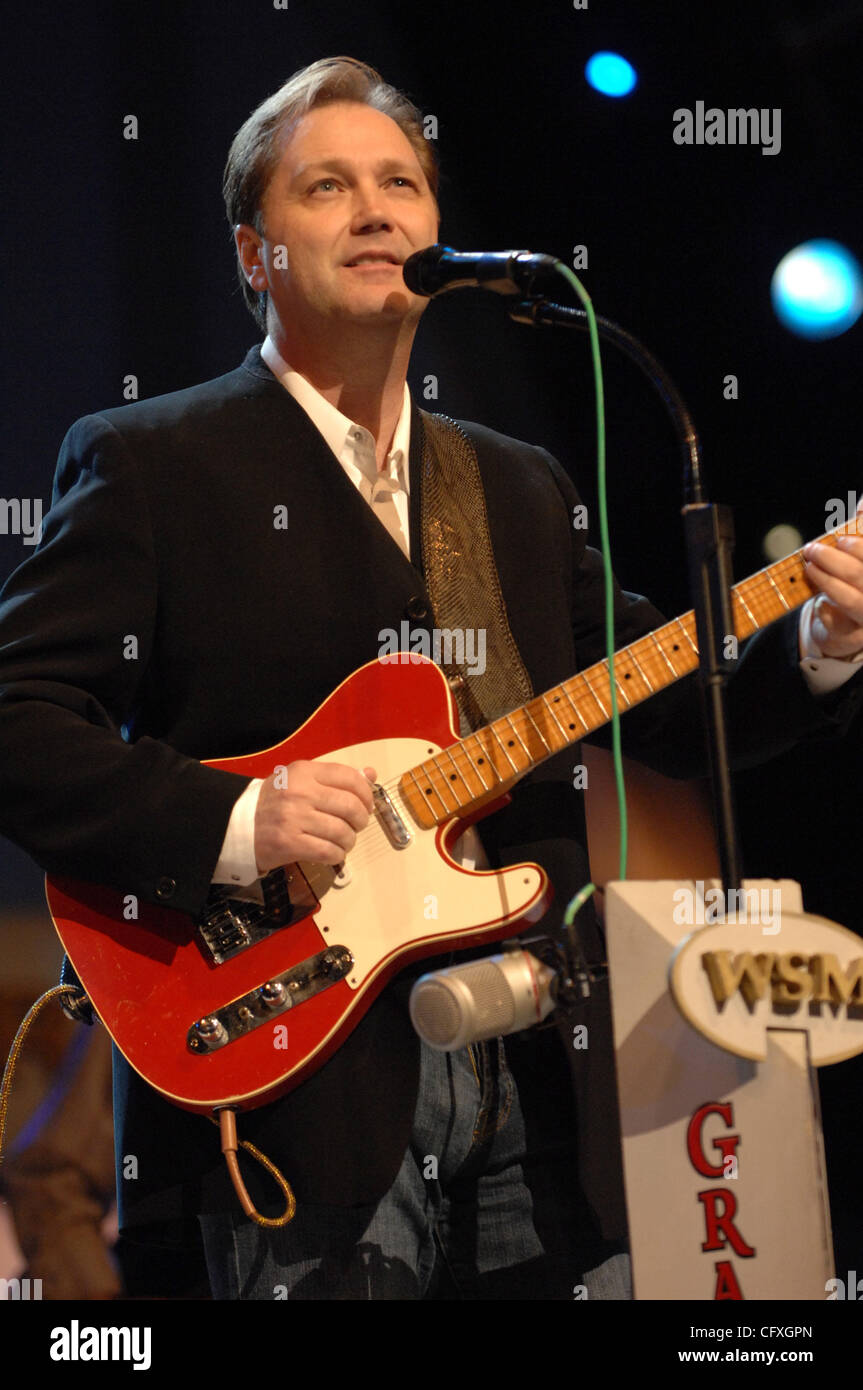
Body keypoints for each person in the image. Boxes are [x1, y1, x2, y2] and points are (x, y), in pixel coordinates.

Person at [1, 56, 863, 1301]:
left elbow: (666, 699)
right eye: (328, 187)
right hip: (295, 1076)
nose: (375, 210)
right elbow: (18, 718)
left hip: (534, 1081)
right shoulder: (150, 461)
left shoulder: (514, 483)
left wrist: (821, 642)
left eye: (400, 182)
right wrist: (238, 823)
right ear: (256, 254)